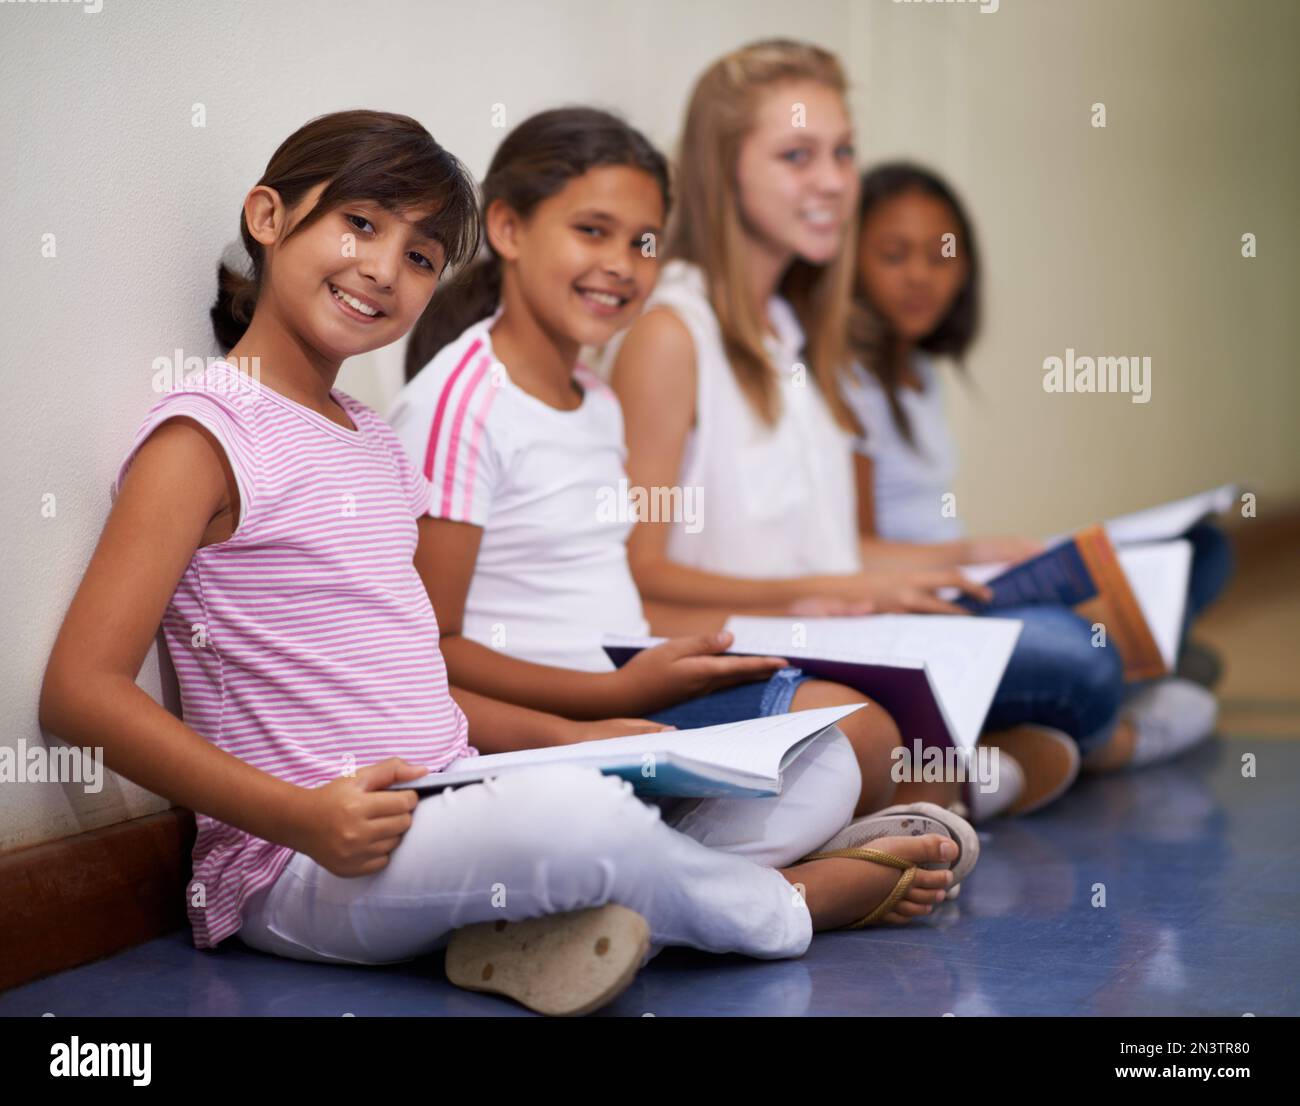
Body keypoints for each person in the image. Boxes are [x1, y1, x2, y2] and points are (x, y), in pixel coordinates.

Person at [37, 110, 961, 1018]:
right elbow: (80, 693)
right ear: (269, 217)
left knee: (821, 765)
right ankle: (789, 904)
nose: (381, 269)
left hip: (459, 793)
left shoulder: (368, 440)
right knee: (576, 826)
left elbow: (416, 676)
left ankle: (569, 920)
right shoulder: (204, 437)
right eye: (359, 223)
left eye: (420, 257)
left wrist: (572, 737)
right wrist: (297, 816)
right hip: (305, 862)